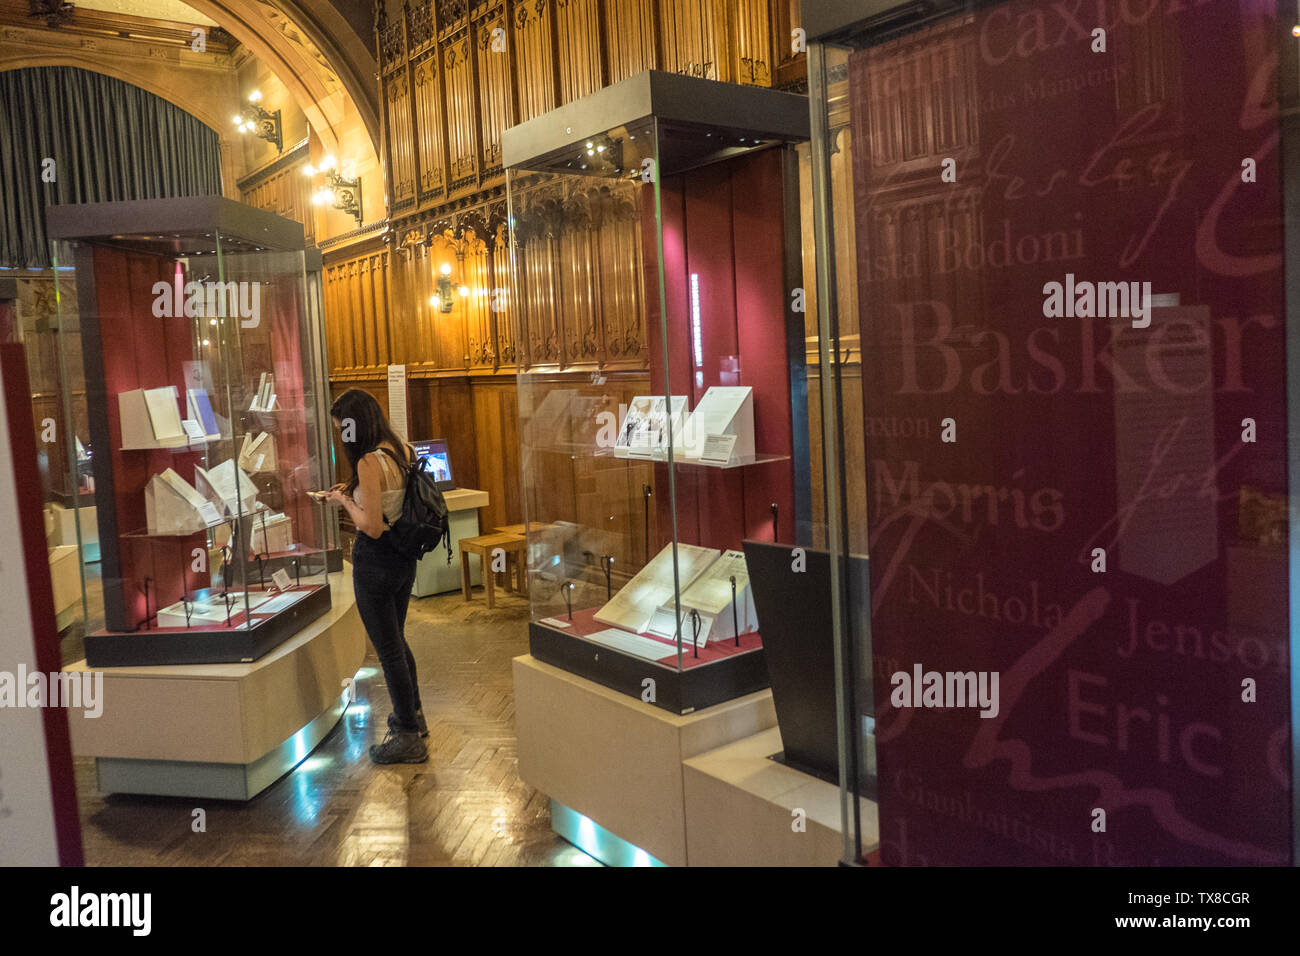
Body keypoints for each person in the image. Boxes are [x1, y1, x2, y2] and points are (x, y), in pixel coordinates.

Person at [325, 389, 428, 764]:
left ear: (357, 424)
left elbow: (370, 526)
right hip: (404, 558)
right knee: (397, 642)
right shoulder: (404, 448)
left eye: (343, 429)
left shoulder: (370, 461)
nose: (343, 437)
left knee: (387, 651)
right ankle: (413, 715)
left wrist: (344, 501)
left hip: (375, 563)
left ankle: (406, 735)